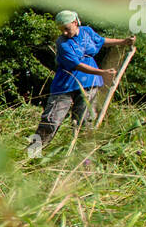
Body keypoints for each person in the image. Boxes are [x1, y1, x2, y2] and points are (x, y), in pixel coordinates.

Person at [30, 10, 134, 150]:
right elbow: (77, 65)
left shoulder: (87, 32)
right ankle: (32, 152)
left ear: (75, 23)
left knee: (85, 124)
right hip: (65, 86)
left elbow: (101, 41)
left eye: (66, 29)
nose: (64, 33)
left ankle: (82, 159)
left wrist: (124, 42)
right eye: (62, 30)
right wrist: (102, 72)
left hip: (89, 84)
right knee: (51, 121)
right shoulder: (62, 43)